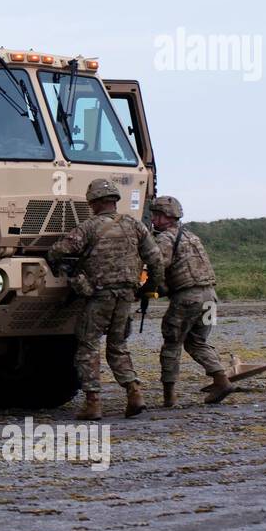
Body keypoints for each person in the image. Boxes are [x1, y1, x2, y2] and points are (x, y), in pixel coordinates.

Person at [49, 179, 165, 420]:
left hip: (100, 295)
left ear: (95, 202)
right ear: (113, 201)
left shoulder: (89, 227)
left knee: (88, 346)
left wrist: (73, 275)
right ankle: (134, 393)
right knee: (118, 346)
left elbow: (58, 251)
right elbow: (155, 260)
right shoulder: (134, 225)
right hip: (127, 294)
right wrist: (148, 288)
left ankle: (93, 403)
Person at [149, 196, 232, 406]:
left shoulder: (165, 239)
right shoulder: (192, 237)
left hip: (188, 298)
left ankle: (170, 396)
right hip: (211, 297)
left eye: (155, 215)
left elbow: (159, 267)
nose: (152, 219)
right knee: (197, 342)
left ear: (165, 217)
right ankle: (221, 379)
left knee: (172, 344)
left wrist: (149, 288)